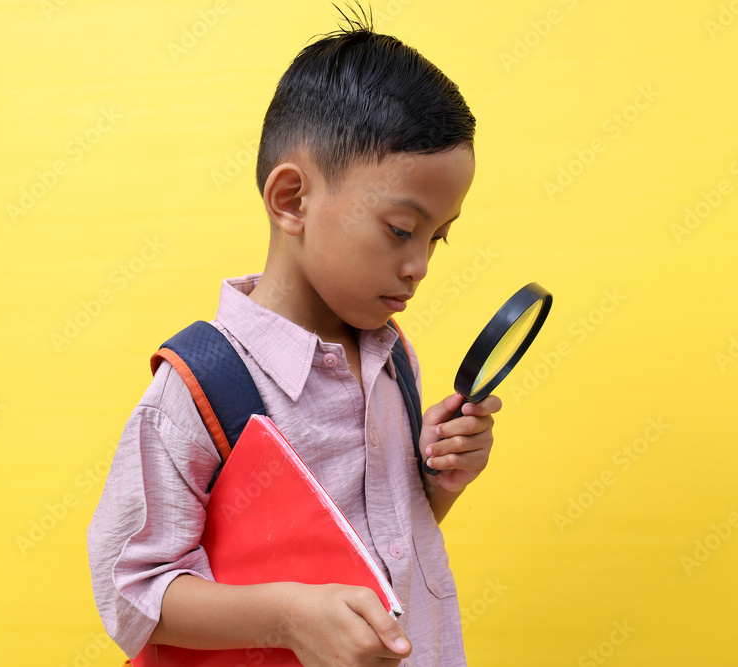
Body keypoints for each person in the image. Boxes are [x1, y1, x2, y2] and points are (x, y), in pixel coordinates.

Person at [87, 3, 502, 664]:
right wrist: (286, 615)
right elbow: (131, 591)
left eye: (438, 237)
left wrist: (439, 482)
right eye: (401, 228)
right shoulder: (200, 387)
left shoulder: (393, 362)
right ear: (292, 200)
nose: (420, 264)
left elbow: (381, 546)